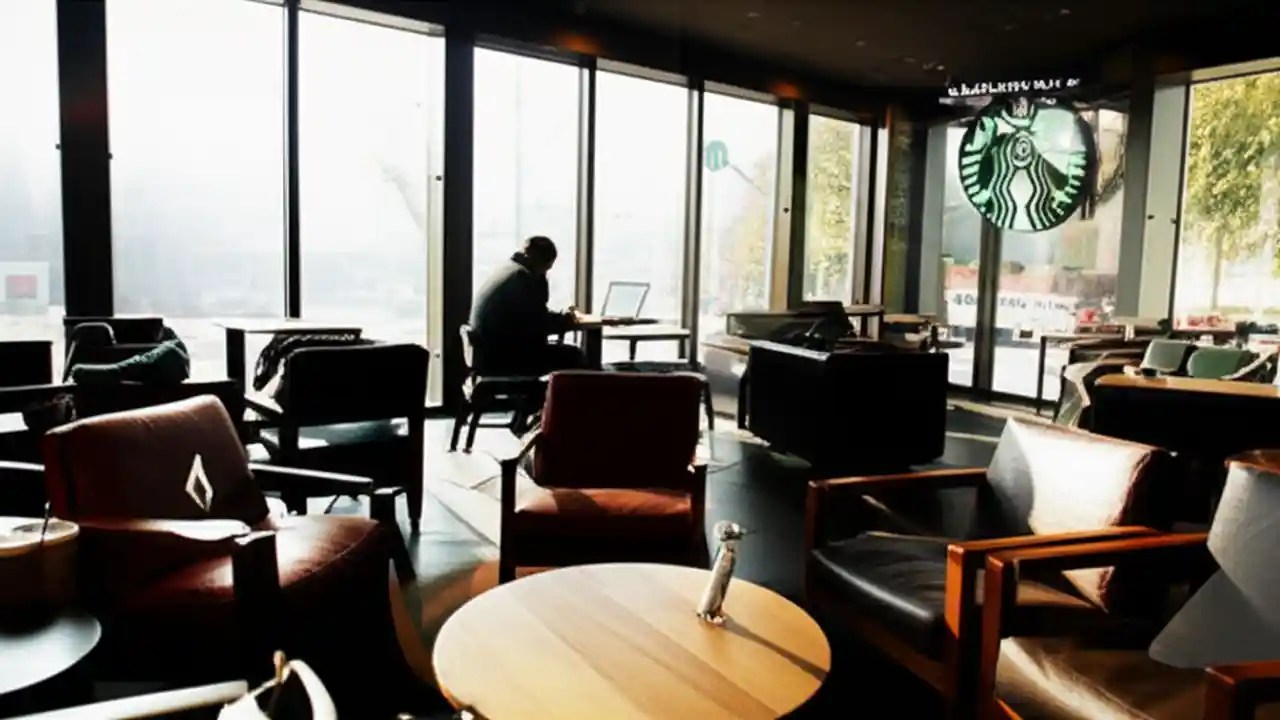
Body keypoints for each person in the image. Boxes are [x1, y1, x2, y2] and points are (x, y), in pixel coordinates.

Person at [470, 236, 586, 375]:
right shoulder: (521, 278)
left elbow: (529, 315)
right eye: (547, 266)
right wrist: (565, 321)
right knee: (575, 356)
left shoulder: (508, 270)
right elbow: (536, 324)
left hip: (490, 353)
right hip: (505, 358)